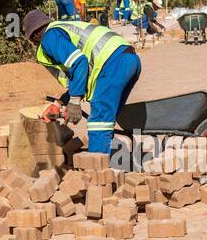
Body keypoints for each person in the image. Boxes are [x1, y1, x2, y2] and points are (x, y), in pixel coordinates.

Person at [22, 9, 141, 157]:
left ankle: (97, 172)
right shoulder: (63, 30)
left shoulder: (49, 37)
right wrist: (58, 105)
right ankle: (112, 168)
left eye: (32, 40)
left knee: (98, 122)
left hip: (113, 64)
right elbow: (80, 75)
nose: (34, 44)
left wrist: (74, 102)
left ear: (35, 35)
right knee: (105, 121)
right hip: (129, 61)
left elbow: (79, 62)